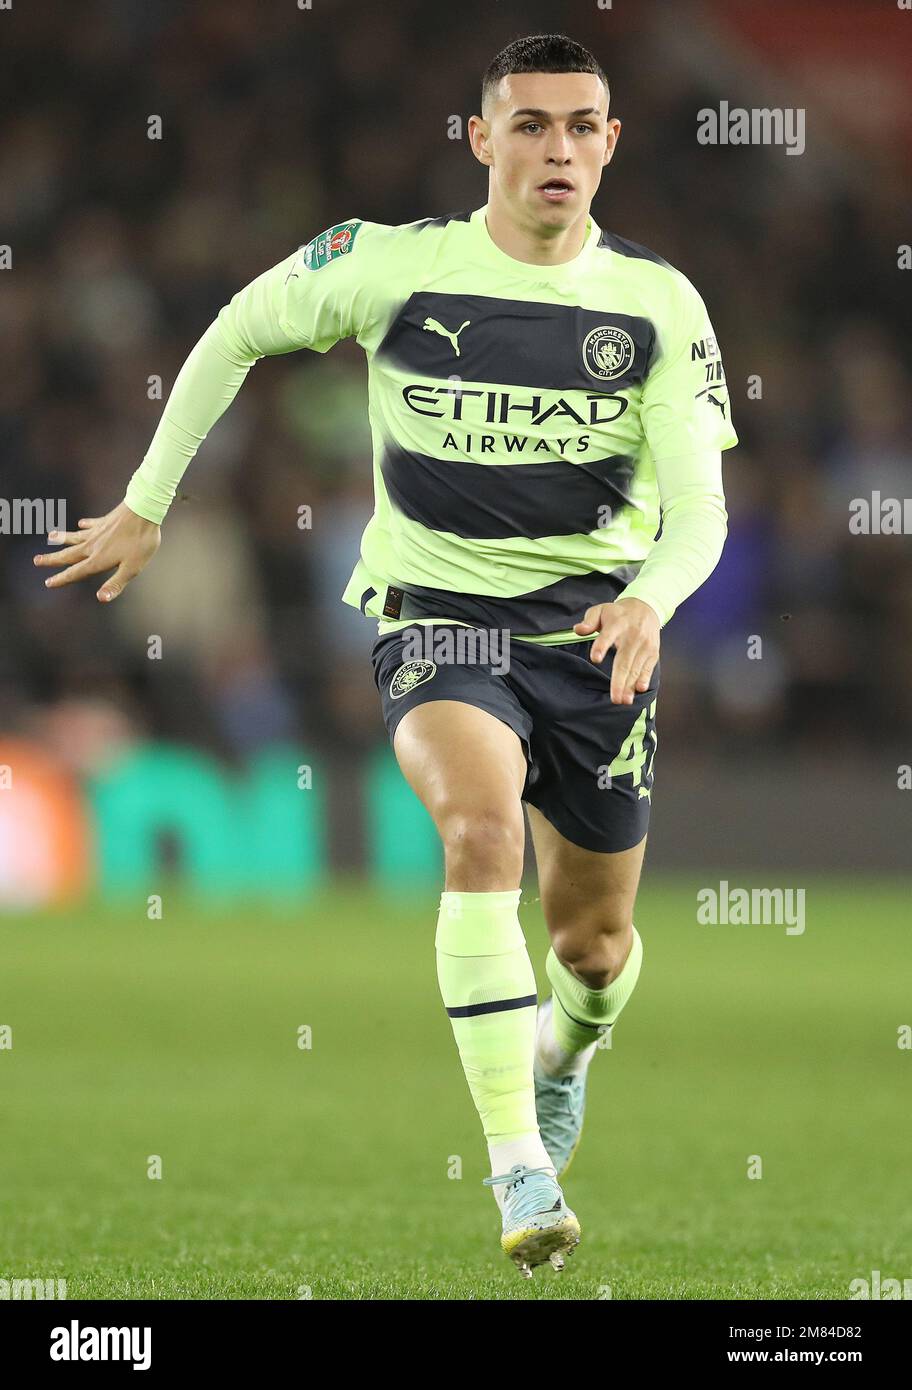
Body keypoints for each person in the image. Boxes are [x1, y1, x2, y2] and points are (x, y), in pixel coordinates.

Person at [35, 32, 737, 1277]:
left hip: (593, 635)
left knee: (594, 946)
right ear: (481, 139)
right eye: (528, 124)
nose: (556, 148)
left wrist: (654, 603)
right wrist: (147, 501)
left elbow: (704, 510)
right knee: (480, 830)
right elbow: (236, 329)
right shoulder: (391, 265)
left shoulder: (659, 303)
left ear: (611, 144)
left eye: (580, 125)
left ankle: (563, 1054)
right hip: (435, 615)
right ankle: (518, 1163)